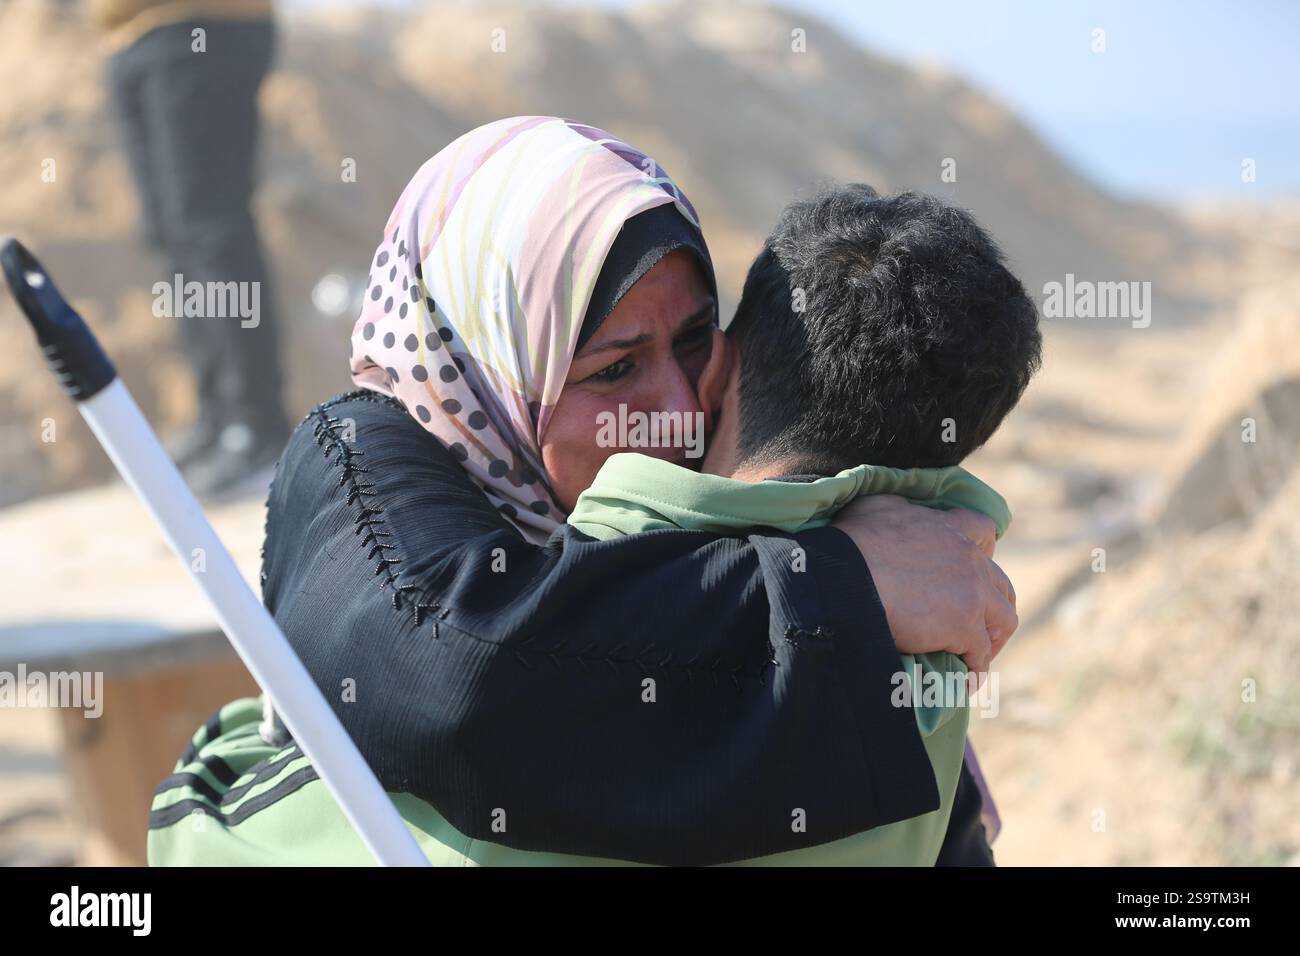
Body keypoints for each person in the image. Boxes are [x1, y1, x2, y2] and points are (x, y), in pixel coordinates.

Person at [149, 117, 1018, 866]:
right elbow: (466, 672)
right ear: (496, 366)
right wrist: (842, 587)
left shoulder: (705, 516)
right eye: (614, 368)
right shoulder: (371, 457)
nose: (680, 409)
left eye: (691, 342)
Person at [93, 0, 290, 494]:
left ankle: (257, 426)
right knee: (173, 234)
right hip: (125, 33)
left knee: (211, 231)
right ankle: (217, 418)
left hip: (203, 23)